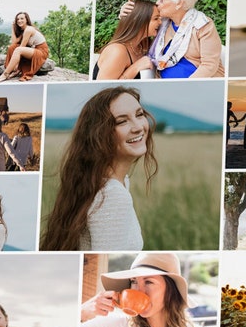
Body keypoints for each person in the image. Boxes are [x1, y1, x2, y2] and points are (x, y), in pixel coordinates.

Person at [41, 86, 158, 251]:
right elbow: (105, 262)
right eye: (122, 121)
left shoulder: (108, 182)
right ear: (99, 135)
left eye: (139, 115)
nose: (138, 126)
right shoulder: (112, 195)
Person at [80, 252, 208, 327]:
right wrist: (83, 312)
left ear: (171, 291)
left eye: (149, 282)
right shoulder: (113, 326)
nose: (138, 291)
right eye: (134, 281)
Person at [147, 0, 225, 78]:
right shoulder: (162, 22)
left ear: (179, 3)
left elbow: (209, 65)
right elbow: (139, 29)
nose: (157, 2)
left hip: (198, 83)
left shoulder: (202, 24)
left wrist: (187, 84)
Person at [93, 0, 161, 80]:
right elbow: (103, 87)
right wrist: (135, 68)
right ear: (140, 21)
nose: (160, 22)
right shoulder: (117, 51)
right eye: (156, 19)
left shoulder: (142, 45)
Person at [0, 12, 50, 82]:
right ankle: (14, 70)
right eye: (17, 19)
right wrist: (13, 27)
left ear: (26, 20)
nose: (19, 20)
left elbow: (21, 47)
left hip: (41, 51)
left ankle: (5, 74)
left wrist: (17, 64)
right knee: (12, 47)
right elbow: (14, 42)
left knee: (18, 49)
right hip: (33, 49)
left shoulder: (28, 30)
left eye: (22, 18)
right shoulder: (23, 30)